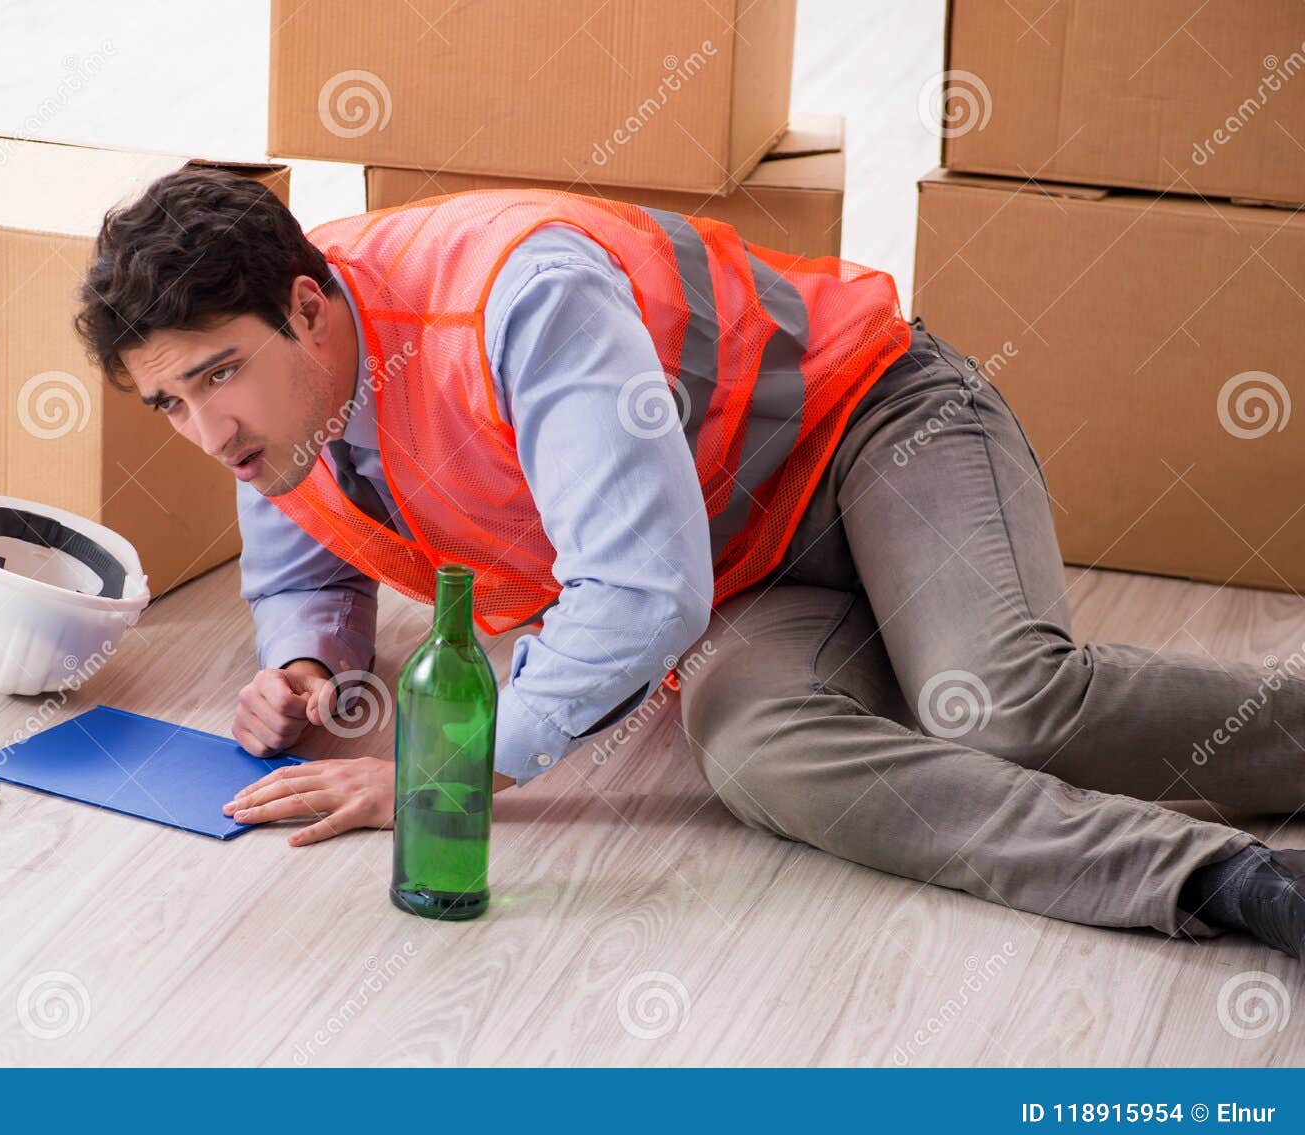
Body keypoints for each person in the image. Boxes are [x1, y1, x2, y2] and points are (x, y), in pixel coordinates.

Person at [73, 167, 1305, 960]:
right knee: (759, 756)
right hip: (749, 579)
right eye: (167, 404)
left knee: (1001, 703)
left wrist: (442, 776)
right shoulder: (281, 422)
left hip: (869, 434)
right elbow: (310, 563)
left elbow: (640, 593)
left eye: (218, 376)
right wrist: (301, 662)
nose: (209, 435)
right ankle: (1237, 885)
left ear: (304, 305)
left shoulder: (513, 295)